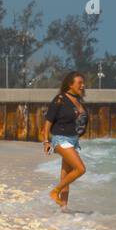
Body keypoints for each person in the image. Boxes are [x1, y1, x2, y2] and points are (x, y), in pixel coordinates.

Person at [40, 72, 89, 209]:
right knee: (80, 169)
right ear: (70, 84)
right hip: (61, 139)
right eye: (80, 83)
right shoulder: (60, 99)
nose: (83, 85)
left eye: (83, 83)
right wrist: (46, 141)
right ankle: (54, 191)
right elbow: (48, 120)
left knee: (66, 176)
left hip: (73, 140)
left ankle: (63, 208)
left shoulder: (78, 101)